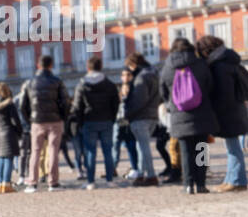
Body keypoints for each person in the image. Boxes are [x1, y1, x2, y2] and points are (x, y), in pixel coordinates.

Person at [159, 36, 217, 194]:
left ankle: (188, 185)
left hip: (180, 115)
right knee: (201, 149)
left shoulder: (168, 66)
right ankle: (201, 184)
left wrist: (172, 105)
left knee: (185, 152)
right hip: (202, 112)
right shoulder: (200, 64)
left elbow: (162, 91)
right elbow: (210, 85)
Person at [196, 33, 248, 193]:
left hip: (229, 112)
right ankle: (230, 179)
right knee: (231, 147)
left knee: (233, 147)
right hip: (235, 110)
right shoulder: (228, 61)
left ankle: (237, 181)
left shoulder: (220, 66)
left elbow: (224, 93)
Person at [18, 54, 70, 192]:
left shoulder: (30, 82)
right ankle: (53, 183)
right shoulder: (57, 81)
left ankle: (32, 183)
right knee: (53, 151)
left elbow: (23, 105)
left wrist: (30, 119)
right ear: (51, 65)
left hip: (37, 121)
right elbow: (65, 102)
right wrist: (63, 117)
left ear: (38, 65)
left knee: (35, 152)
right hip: (55, 120)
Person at [70, 55, 118, 189]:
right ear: (101, 66)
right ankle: (110, 179)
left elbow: (77, 106)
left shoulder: (82, 84)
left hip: (89, 120)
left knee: (90, 152)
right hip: (106, 120)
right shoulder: (109, 84)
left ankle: (91, 182)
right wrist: (112, 118)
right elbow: (116, 103)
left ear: (88, 67)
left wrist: (80, 121)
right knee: (108, 151)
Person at [122, 52, 162, 186]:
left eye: (130, 67)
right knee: (141, 146)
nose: (129, 71)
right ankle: (140, 173)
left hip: (140, 116)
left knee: (144, 147)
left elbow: (139, 100)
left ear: (133, 64)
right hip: (152, 115)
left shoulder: (141, 77)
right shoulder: (155, 74)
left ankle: (150, 175)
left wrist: (128, 113)